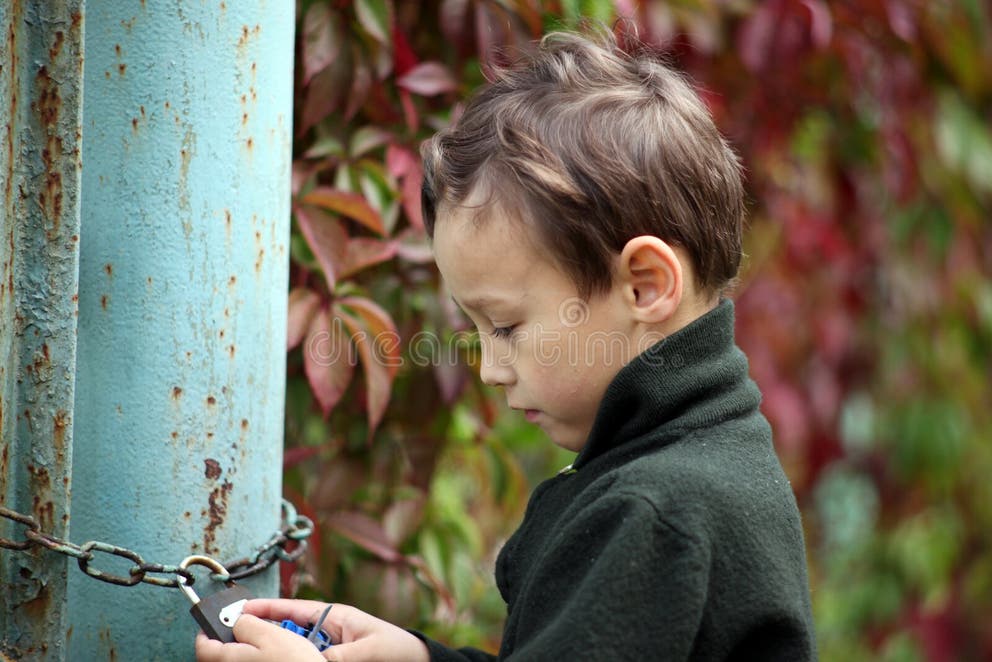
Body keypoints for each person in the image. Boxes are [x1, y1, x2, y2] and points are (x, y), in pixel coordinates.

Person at [196, 29, 817, 662]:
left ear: (644, 285)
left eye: (506, 327)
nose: (490, 370)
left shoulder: (652, 515)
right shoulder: (714, 456)